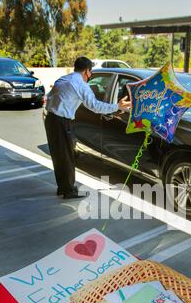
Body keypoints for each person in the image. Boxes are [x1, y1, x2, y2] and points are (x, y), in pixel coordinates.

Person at [44, 56, 131, 199]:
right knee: (67, 156)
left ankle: (63, 187)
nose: (90, 76)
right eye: (90, 73)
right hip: (61, 121)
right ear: (86, 71)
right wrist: (117, 106)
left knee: (58, 155)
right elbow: (95, 106)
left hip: (50, 119)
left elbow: (50, 96)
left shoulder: (63, 79)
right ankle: (69, 190)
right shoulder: (81, 85)